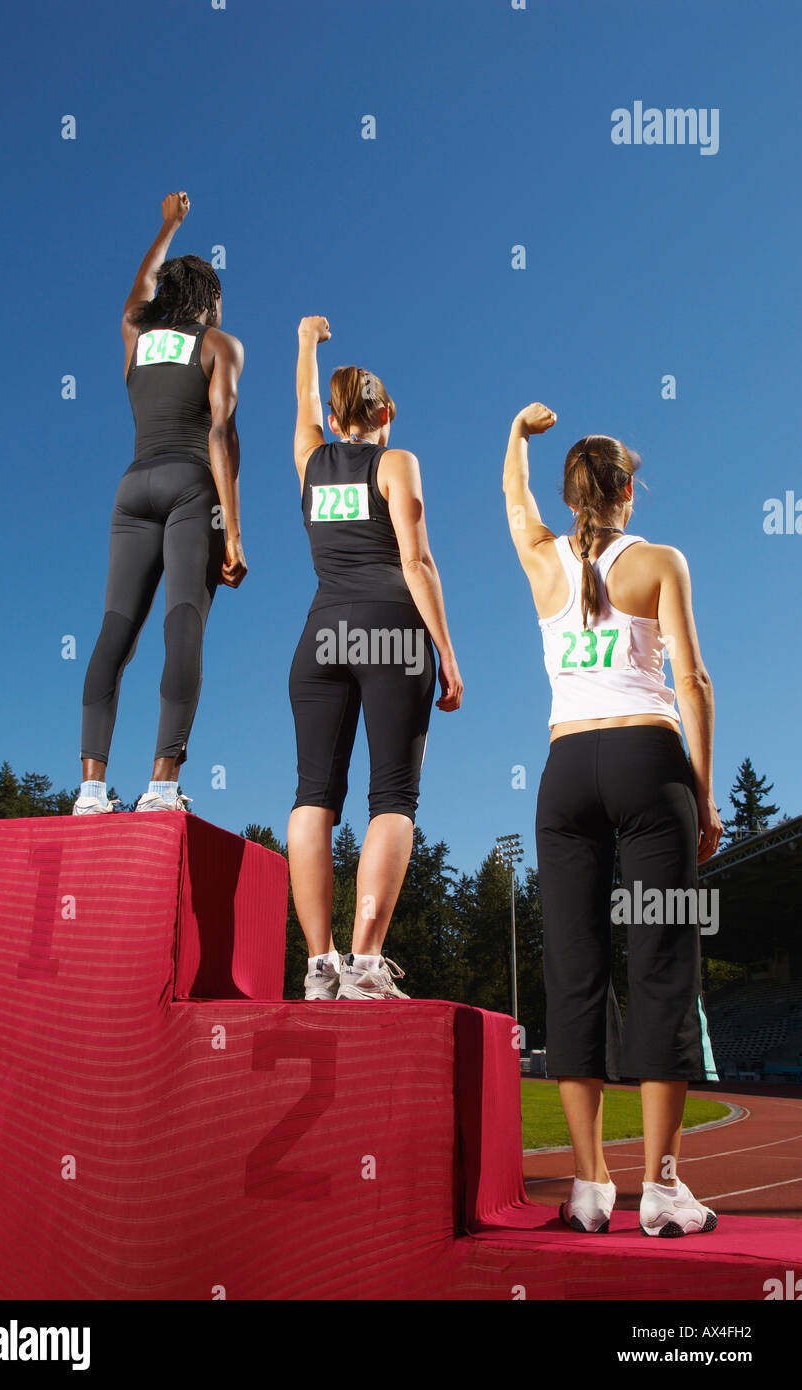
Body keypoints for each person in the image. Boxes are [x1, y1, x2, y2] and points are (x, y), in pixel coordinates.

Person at [503, 402, 722, 1238]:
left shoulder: (539, 559)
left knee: (573, 968)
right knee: (662, 963)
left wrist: (516, 436)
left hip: (563, 775)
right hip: (645, 763)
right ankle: (660, 1188)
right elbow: (694, 682)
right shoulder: (659, 560)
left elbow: (510, 498)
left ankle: (590, 1186)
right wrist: (700, 795)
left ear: (569, 499)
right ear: (627, 490)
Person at [289, 316, 463, 1000]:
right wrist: (447, 654)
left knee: (312, 796)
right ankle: (364, 965)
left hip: (321, 633)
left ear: (333, 420)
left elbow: (302, 409)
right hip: (391, 626)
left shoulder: (309, 457)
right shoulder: (397, 462)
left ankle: (318, 965)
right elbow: (416, 560)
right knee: (391, 795)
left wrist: (305, 345)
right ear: (385, 413)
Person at [73, 192, 246, 815]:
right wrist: (232, 532)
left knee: (114, 632)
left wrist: (167, 225)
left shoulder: (135, 336)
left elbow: (138, 289)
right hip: (190, 486)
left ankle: (91, 789)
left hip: (132, 487)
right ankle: (162, 785)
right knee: (183, 627)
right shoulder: (218, 346)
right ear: (205, 300)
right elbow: (220, 434)